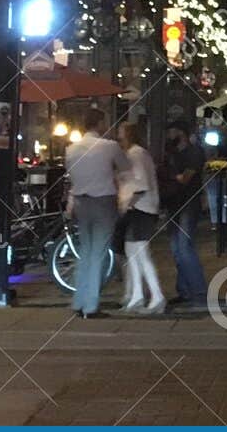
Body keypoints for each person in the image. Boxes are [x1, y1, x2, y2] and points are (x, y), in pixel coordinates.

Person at [64, 109, 128, 318]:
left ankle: (79, 301)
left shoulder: (71, 149)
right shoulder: (109, 146)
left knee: (85, 252)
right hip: (103, 201)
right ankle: (91, 306)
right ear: (100, 123)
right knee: (98, 253)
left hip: (81, 202)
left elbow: (71, 177)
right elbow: (126, 169)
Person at [115, 123, 165, 314]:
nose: (118, 137)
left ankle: (156, 296)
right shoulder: (136, 154)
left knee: (140, 253)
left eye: (121, 133)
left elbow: (141, 185)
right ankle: (137, 295)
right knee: (133, 252)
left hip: (140, 209)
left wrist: (127, 204)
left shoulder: (136, 154)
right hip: (139, 208)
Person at [161, 119, 208, 307]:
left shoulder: (194, 152)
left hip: (189, 203)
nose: (168, 136)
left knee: (184, 246)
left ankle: (198, 291)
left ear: (180, 133)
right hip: (173, 204)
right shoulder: (171, 153)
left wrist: (169, 176)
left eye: (171, 131)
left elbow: (185, 178)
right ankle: (184, 290)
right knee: (176, 249)